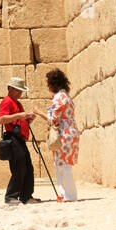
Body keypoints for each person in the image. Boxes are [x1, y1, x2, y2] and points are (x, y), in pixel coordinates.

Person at [0, 76, 41, 205]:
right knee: (18, 168)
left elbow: (19, 121)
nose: (20, 93)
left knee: (28, 167)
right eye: (18, 90)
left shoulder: (18, 103)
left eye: (21, 91)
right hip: (12, 138)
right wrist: (20, 115)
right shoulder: (7, 101)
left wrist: (29, 119)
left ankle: (26, 196)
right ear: (10, 88)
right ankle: (10, 196)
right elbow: (1, 119)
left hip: (20, 139)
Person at [44, 69, 80, 203]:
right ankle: (66, 195)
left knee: (63, 165)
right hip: (70, 131)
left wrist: (41, 114)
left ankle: (70, 195)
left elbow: (54, 119)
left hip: (64, 133)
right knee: (62, 164)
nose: (48, 86)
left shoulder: (59, 98)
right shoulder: (66, 96)